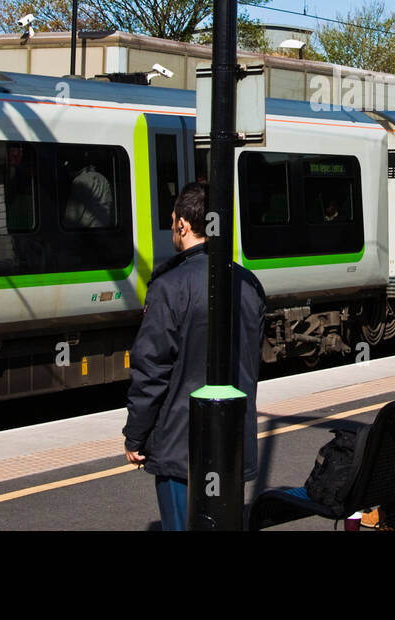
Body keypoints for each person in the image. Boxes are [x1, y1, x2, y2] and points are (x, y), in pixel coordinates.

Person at [123, 182, 266, 531]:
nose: (173, 226)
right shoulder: (248, 284)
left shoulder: (169, 285)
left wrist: (135, 435)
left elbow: (151, 368)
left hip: (179, 446)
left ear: (183, 225)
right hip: (230, 441)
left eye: (173, 220)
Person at [64, 157, 113, 228]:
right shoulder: (103, 178)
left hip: (85, 231)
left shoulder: (80, 181)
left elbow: (72, 214)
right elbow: (109, 203)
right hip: (103, 228)